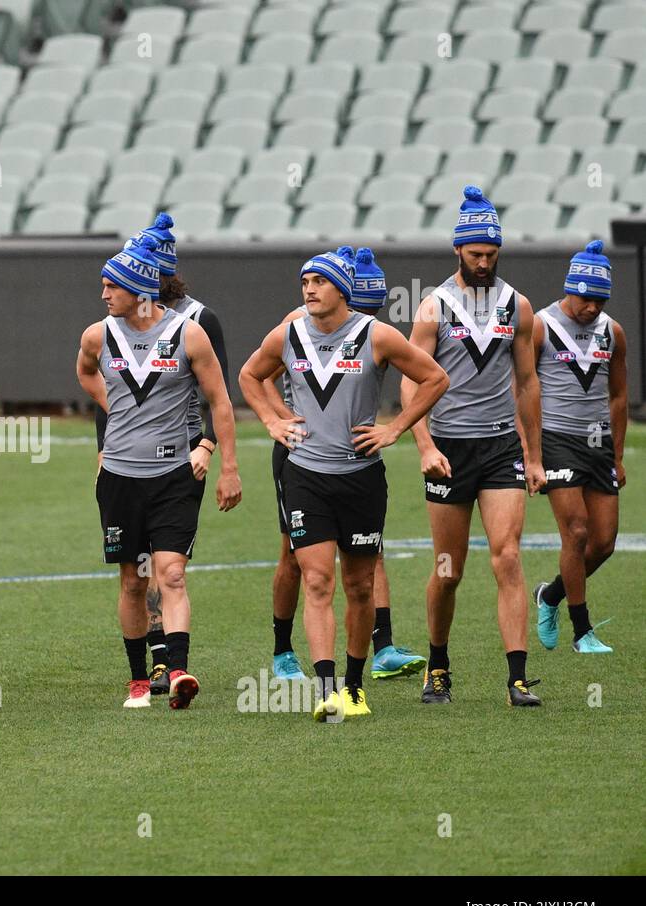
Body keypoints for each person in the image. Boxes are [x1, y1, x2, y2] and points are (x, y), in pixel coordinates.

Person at [239, 252, 448, 721]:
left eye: (318, 282)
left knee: (358, 585)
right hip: (305, 476)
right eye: (305, 281)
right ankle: (328, 689)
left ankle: (355, 687)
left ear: (342, 290)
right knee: (317, 580)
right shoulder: (288, 334)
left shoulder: (377, 335)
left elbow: (435, 377)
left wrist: (394, 429)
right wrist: (273, 420)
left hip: (361, 479)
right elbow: (249, 375)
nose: (309, 289)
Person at [77, 235, 242, 710]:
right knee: (132, 579)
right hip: (119, 478)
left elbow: (220, 401)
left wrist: (225, 464)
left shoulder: (190, 334)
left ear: (139, 289)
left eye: (113, 286)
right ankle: (135, 681)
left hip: (174, 474)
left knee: (170, 574)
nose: (105, 295)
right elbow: (86, 371)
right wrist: (116, 408)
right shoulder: (97, 335)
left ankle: (177, 670)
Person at [404, 186, 546, 708]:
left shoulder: (518, 306)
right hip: (448, 449)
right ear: (458, 250)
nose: (483, 262)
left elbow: (527, 382)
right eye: (475, 253)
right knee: (449, 569)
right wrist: (423, 445)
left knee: (507, 558)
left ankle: (517, 679)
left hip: (500, 447)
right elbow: (409, 381)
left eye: (491, 254)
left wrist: (533, 456)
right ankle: (437, 665)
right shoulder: (433, 306)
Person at [532, 241, 627, 653]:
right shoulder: (539, 325)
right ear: (570, 289)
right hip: (556, 439)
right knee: (576, 531)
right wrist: (530, 452)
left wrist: (618, 455)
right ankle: (581, 630)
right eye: (586, 298)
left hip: (599, 443)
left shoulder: (612, 331)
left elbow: (620, 395)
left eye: (600, 300)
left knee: (603, 542)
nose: (592, 307)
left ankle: (549, 595)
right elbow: (522, 386)